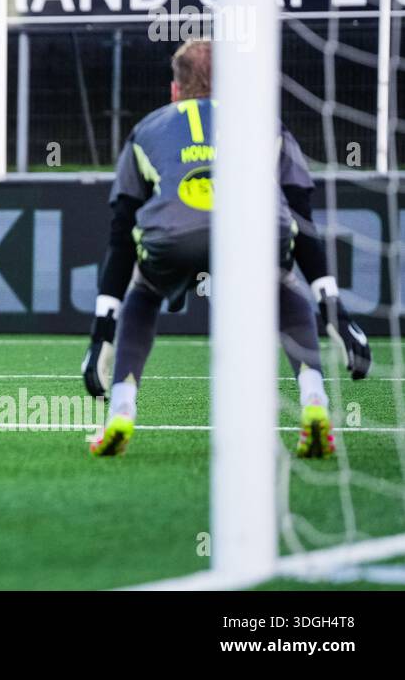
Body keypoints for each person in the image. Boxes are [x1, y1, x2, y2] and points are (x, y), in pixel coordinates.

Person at [82, 38, 370, 458]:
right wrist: (335, 310)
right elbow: (303, 219)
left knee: (143, 291)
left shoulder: (146, 130)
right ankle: (314, 401)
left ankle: (121, 409)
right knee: (283, 282)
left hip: (173, 234)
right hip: (255, 231)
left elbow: (121, 232)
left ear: (174, 90)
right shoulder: (264, 123)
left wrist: (101, 332)